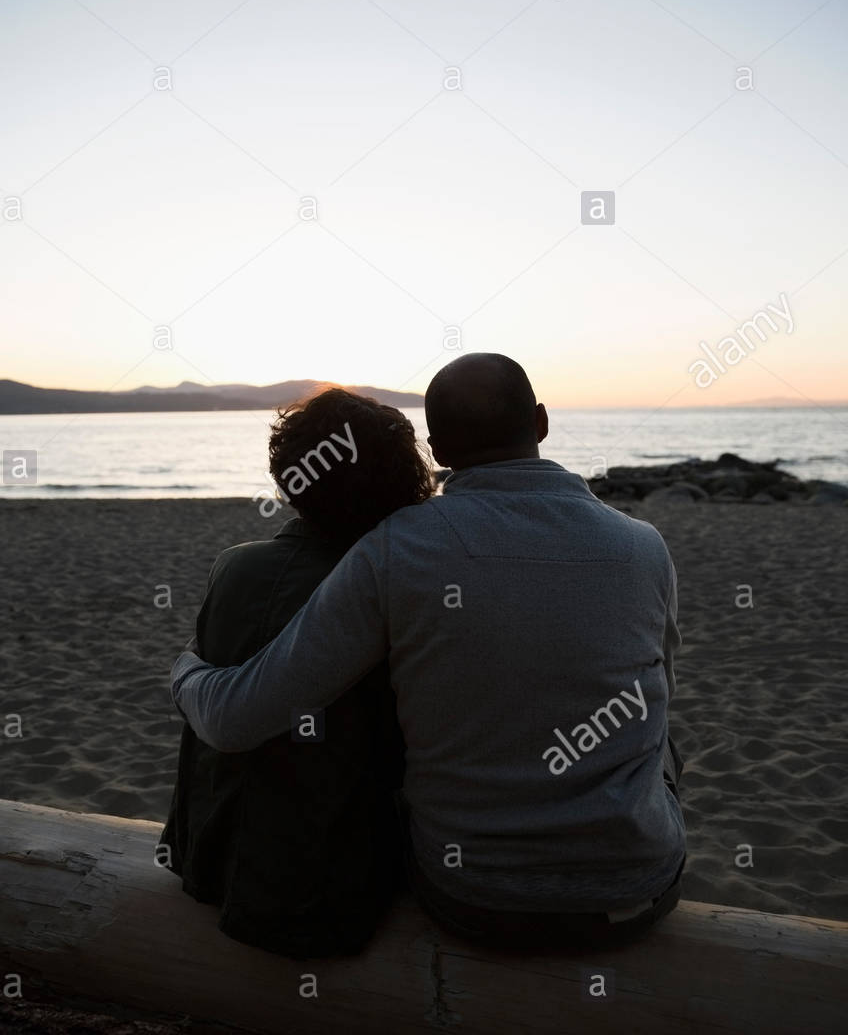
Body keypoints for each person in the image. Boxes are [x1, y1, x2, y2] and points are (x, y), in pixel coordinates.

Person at [171, 354, 686, 950]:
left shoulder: (396, 548)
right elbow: (659, 701)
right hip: (637, 891)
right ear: (542, 422)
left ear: (437, 450)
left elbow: (239, 719)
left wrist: (186, 671)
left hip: (473, 898)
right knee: (662, 737)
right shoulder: (644, 547)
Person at [160, 387, 433, 956]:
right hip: (326, 888)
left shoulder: (233, 566)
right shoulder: (390, 584)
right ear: (399, 480)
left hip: (206, 859)